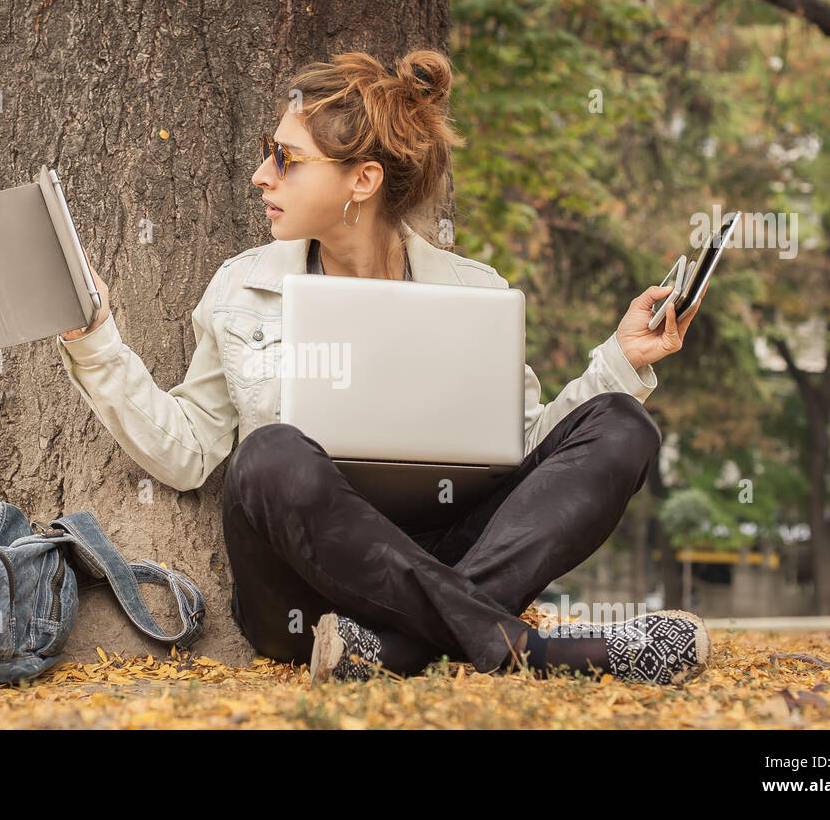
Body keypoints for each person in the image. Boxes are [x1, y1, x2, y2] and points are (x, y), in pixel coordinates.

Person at [56, 49, 710, 686]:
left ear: (362, 180)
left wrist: (621, 360)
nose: (261, 174)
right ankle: (529, 649)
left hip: (452, 550)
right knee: (268, 457)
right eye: (267, 151)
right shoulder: (240, 288)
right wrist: (96, 340)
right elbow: (187, 453)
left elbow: (531, 449)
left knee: (622, 425)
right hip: (303, 595)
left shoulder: (475, 289)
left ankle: (396, 649)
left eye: (286, 158)